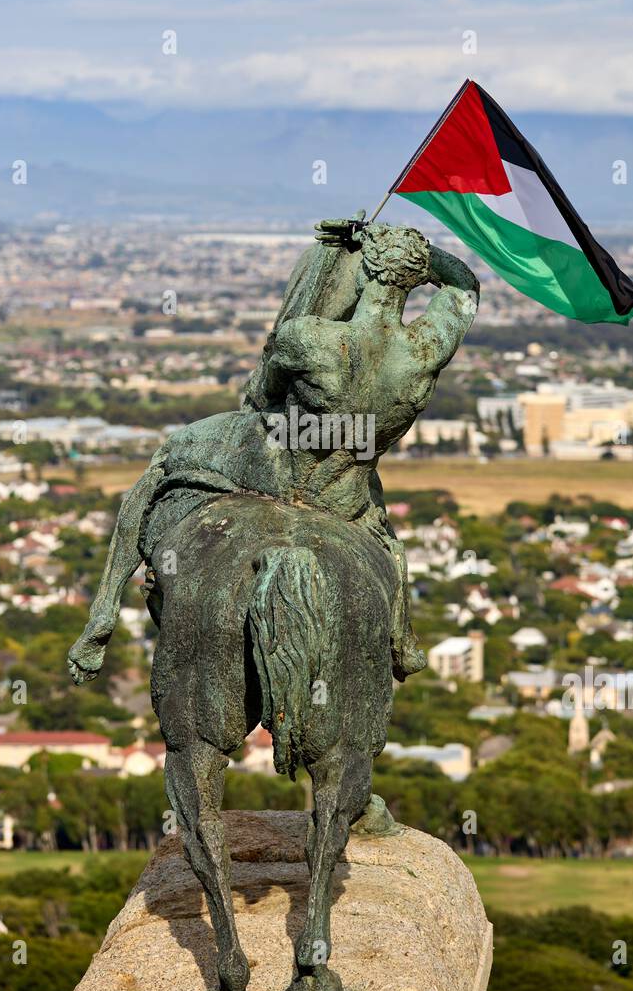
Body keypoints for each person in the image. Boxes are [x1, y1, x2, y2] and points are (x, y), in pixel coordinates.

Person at [67, 216, 479, 685]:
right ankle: (401, 636)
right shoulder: (427, 350)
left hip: (278, 464)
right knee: (380, 524)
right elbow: (466, 286)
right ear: (415, 280)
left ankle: (101, 619)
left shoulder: (309, 337)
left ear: (364, 271)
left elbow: (263, 397)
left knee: (164, 461)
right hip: (349, 491)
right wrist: (429, 260)